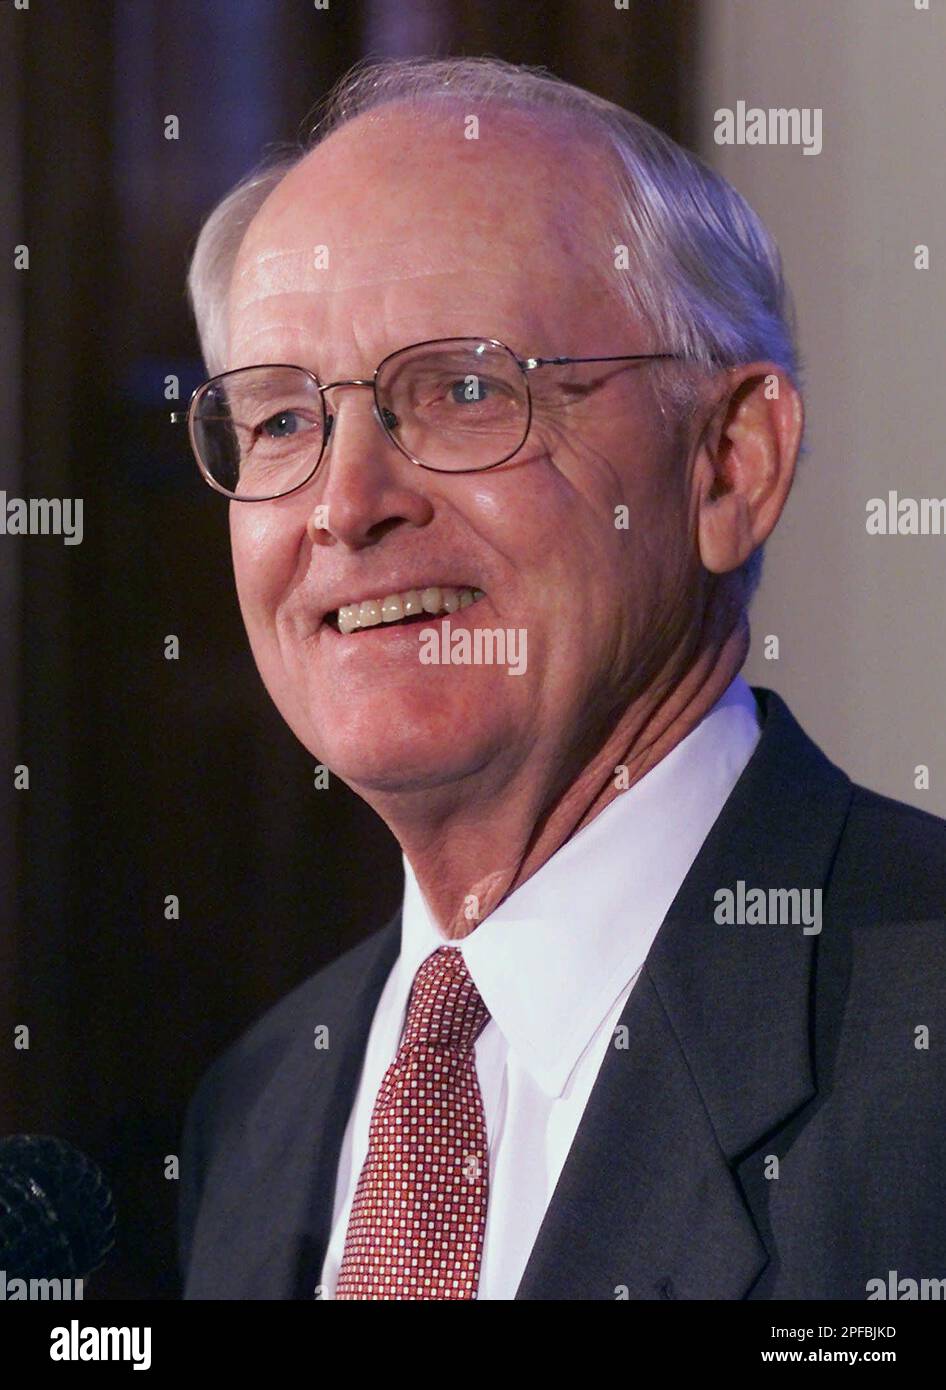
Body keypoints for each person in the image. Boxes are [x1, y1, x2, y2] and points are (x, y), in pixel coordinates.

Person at [176, 56, 946, 1300]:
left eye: (466, 390)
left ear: (728, 466)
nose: (345, 503)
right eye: (279, 420)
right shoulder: (257, 1110)